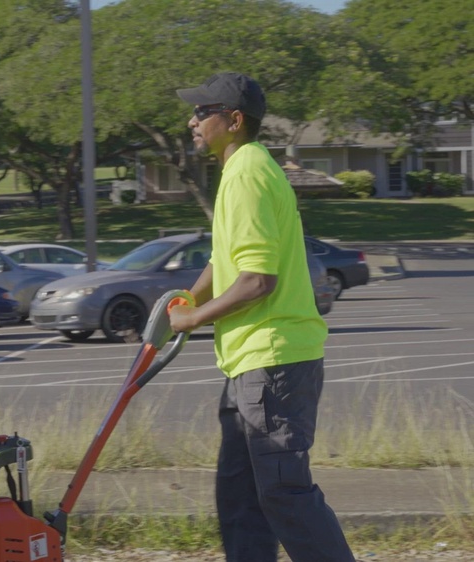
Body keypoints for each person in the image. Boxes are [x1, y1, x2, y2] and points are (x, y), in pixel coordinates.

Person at [167, 72, 355, 562]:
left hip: (272, 361)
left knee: (284, 493)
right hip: (249, 364)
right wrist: (184, 299)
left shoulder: (248, 174)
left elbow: (257, 281)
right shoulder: (242, 170)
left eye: (202, 112)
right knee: (240, 497)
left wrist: (193, 319)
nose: (192, 121)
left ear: (233, 120)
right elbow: (225, 260)